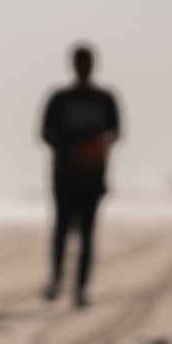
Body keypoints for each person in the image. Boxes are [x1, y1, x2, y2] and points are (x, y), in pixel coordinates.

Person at [39, 43, 120, 308]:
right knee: (61, 231)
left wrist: (93, 147)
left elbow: (116, 132)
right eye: (79, 63)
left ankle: (81, 288)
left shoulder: (105, 99)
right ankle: (56, 279)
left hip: (93, 178)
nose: (83, 68)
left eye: (86, 63)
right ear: (73, 65)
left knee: (87, 234)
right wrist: (68, 147)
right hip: (64, 177)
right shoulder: (60, 98)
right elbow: (44, 133)